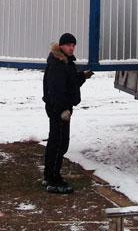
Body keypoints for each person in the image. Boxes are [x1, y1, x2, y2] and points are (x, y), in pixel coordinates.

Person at [42, 32, 93, 193]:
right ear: (62, 46)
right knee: (59, 144)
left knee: (56, 142)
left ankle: (49, 175)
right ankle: (54, 180)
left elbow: (70, 83)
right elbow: (56, 90)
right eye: (69, 45)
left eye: (73, 45)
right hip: (59, 110)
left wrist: (82, 76)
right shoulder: (58, 63)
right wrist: (63, 110)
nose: (72, 48)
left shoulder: (66, 62)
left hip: (62, 109)